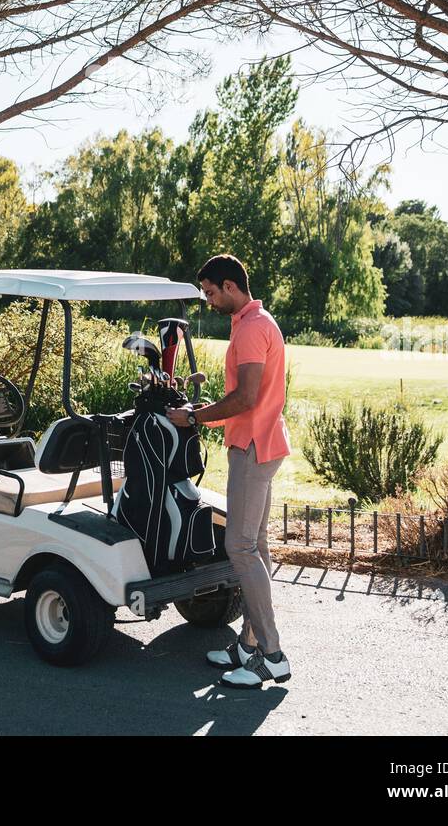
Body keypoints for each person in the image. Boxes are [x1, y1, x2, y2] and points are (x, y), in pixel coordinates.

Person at [166, 253, 291, 688]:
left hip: (254, 448)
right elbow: (239, 399)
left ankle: (271, 655)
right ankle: (249, 645)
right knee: (254, 543)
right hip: (259, 442)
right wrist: (209, 411)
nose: (208, 300)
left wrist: (197, 419)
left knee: (239, 547)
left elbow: (248, 398)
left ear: (231, 287)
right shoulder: (252, 323)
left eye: (210, 292)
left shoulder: (254, 329)